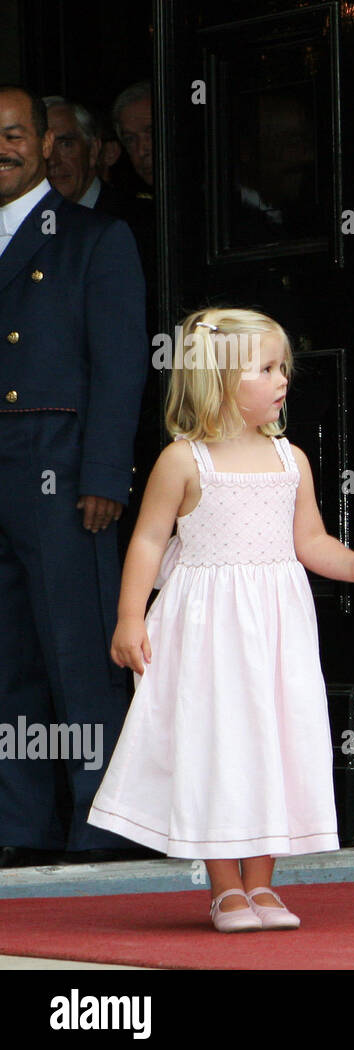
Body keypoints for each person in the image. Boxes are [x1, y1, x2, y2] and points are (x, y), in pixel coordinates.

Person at [87, 309, 354, 931]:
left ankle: (262, 885)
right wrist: (130, 618)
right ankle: (224, 886)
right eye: (265, 368)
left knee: (269, 744)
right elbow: (149, 542)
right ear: (219, 381)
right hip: (206, 634)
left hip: (275, 634)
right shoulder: (183, 462)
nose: (283, 378)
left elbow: (310, 541)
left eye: (282, 366)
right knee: (219, 746)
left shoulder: (291, 460)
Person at [0, 85, 147, 867]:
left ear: (46, 146)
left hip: (59, 471)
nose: (6, 148)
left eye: (17, 134)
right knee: (7, 660)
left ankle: (101, 829)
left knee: (79, 659)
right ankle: (18, 826)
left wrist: (105, 476)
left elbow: (121, 367)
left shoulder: (94, 237)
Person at [42, 97, 134, 217]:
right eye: (43, 147)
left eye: (66, 145)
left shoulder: (134, 219)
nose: (53, 161)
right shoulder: (29, 220)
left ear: (93, 151)